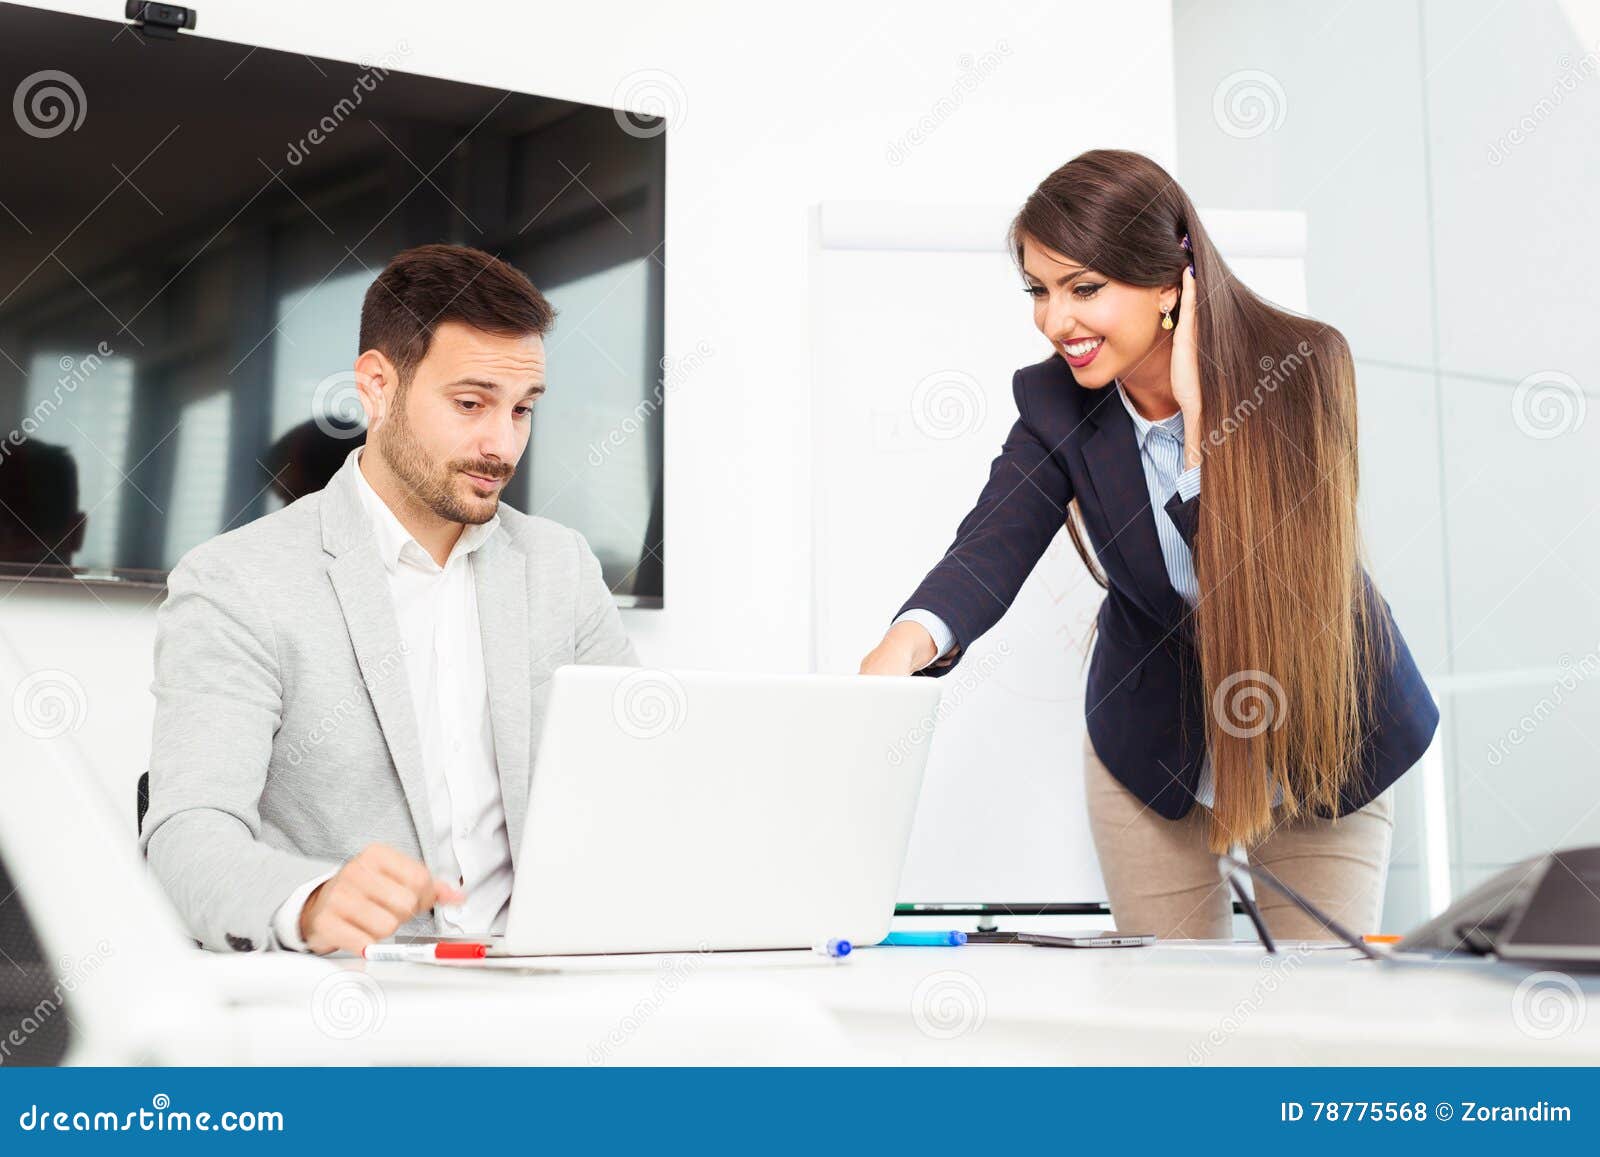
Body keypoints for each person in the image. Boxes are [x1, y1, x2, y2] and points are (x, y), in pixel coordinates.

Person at [859, 150, 1438, 941]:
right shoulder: (1054, 401)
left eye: (1084, 288)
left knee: (1319, 1024)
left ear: (1171, 282)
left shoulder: (1303, 368)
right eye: (1039, 289)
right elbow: (991, 542)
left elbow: (1261, 581)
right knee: (1169, 1021)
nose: (1054, 321)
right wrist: (900, 648)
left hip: (1319, 733)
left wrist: (1201, 434)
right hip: (1152, 747)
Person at [141, 243, 636, 954]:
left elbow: (642, 783)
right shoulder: (236, 581)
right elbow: (187, 836)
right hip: (352, 999)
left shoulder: (562, 567)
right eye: (470, 403)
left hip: (543, 984)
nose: (503, 443)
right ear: (375, 386)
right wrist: (310, 901)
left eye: (522, 408)